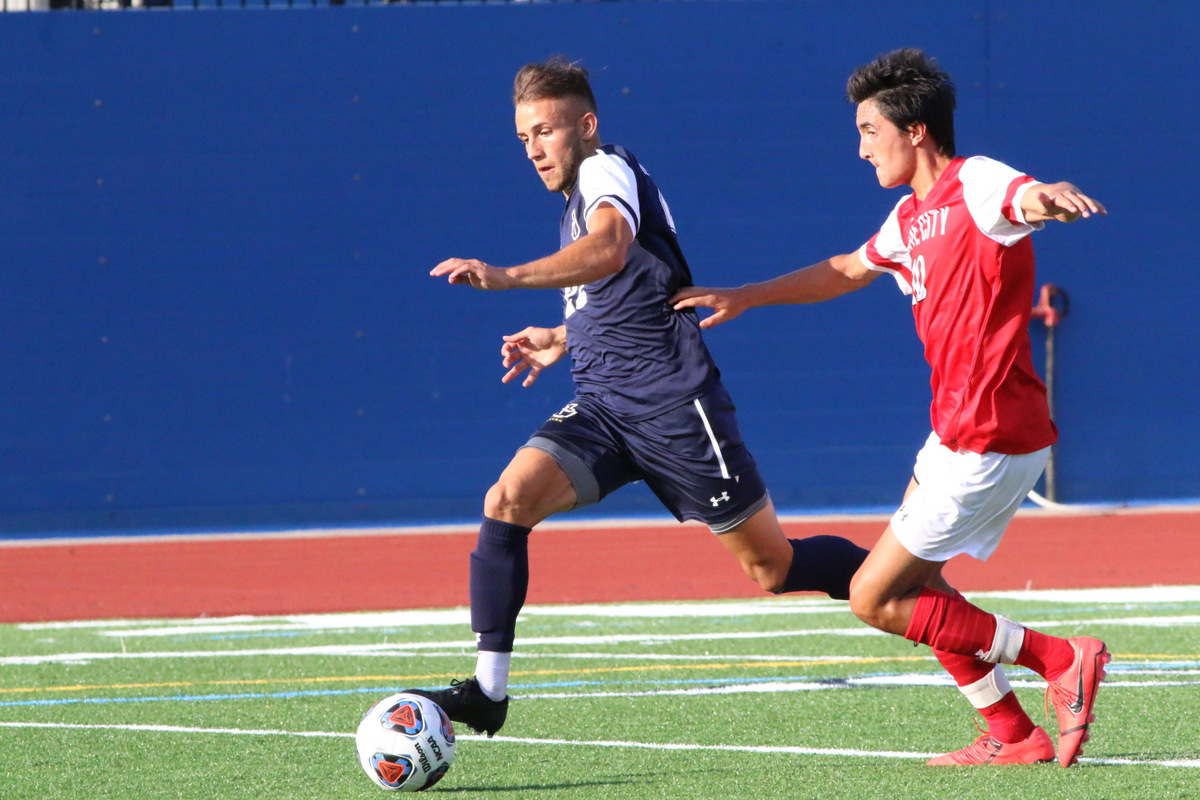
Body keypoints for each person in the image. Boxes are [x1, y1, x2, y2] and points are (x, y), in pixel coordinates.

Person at [672, 48, 1109, 768]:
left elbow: (1023, 198)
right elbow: (845, 269)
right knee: (920, 586)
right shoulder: (909, 218)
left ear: (915, 132)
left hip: (991, 435)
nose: (859, 146)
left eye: (869, 129)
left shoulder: (976, 183)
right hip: (956, 436)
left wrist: (1050, 196)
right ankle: (1014, 734)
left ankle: (1062, 657)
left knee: (874, 598)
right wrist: (747, 294)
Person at [413, 57, 869, 737]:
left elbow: (612, 249)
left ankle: (902, 581)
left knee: (773, 566)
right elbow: (618, 290)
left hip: (671, 407)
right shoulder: (576, 202)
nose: (535, 148)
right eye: (523, 138)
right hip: (604, 408)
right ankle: (487, 691)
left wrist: (507, 278)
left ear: (585, 125)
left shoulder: (603, 170)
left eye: (546, 130)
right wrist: (563, 335)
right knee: (507, 500)